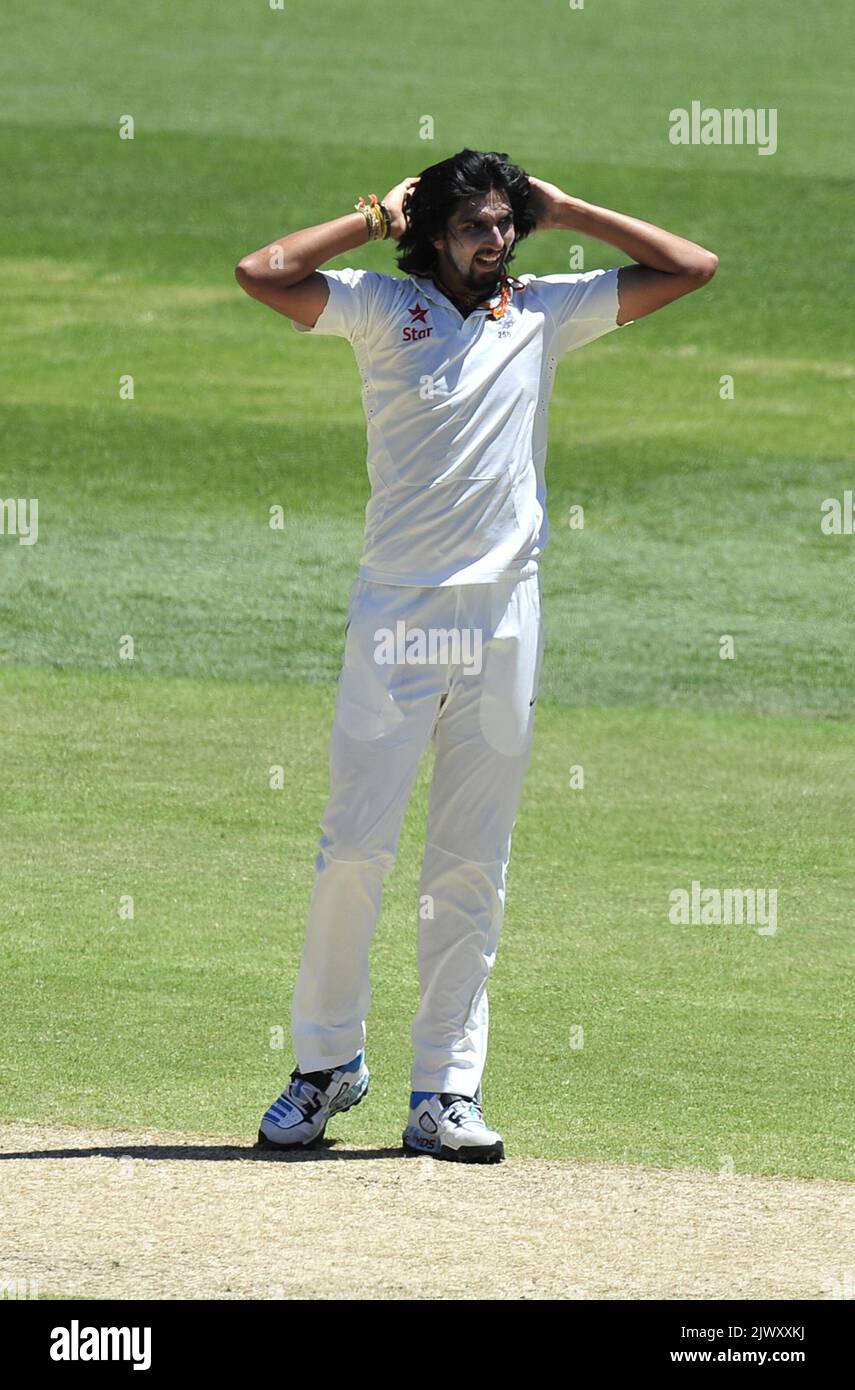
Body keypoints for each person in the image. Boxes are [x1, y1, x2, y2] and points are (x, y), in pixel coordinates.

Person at [235, 149, 717, 1163]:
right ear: (430, 231)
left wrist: (568, 205)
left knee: (470, 863)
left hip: (504, 624)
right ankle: (325, 1067)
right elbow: (262, 273)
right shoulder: (379, 304)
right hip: (396, 623)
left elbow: (690, 266)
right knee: (354, 847)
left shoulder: (543, 309)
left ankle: (444, 1091)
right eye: (473, 226)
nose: (492, 242)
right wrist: (371, 213)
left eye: (504, 223)